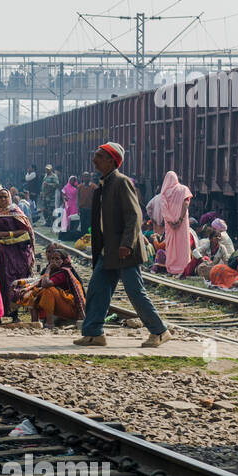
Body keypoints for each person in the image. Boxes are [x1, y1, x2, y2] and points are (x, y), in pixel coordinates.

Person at [75, 142, 170, 348]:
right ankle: (93, 333)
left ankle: (159, 331)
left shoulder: (121, 182)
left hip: (125, 250)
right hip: (108, 250)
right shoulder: (104, 184)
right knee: (97, 289)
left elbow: (134, 216)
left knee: (135, 292)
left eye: (99, 156)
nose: (94, 160)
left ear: (111, 160)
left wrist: (127, 243)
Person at [0, 188, 35, 321]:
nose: (3, 200)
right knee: (2, 281)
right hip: (1, 252)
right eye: (0, 197)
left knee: (15, 280)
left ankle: (16, 313)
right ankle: (2, 312)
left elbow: (26, 231)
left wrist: (6, 234)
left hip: (16, 252)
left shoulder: (15, 212)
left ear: (10, 198)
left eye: (5, 197)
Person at [22, 243, 86, 328]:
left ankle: (50, 323)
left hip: (71, 307)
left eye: (57, 259)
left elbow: (45, 284)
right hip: (60, 304)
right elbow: (39, 283)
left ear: (64, 260)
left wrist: (48, 269)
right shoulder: (51, 270)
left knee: (49, 290)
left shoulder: (64, 272)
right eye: (52, 258)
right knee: (35, 291)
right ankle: (35, 322)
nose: (53, 261)